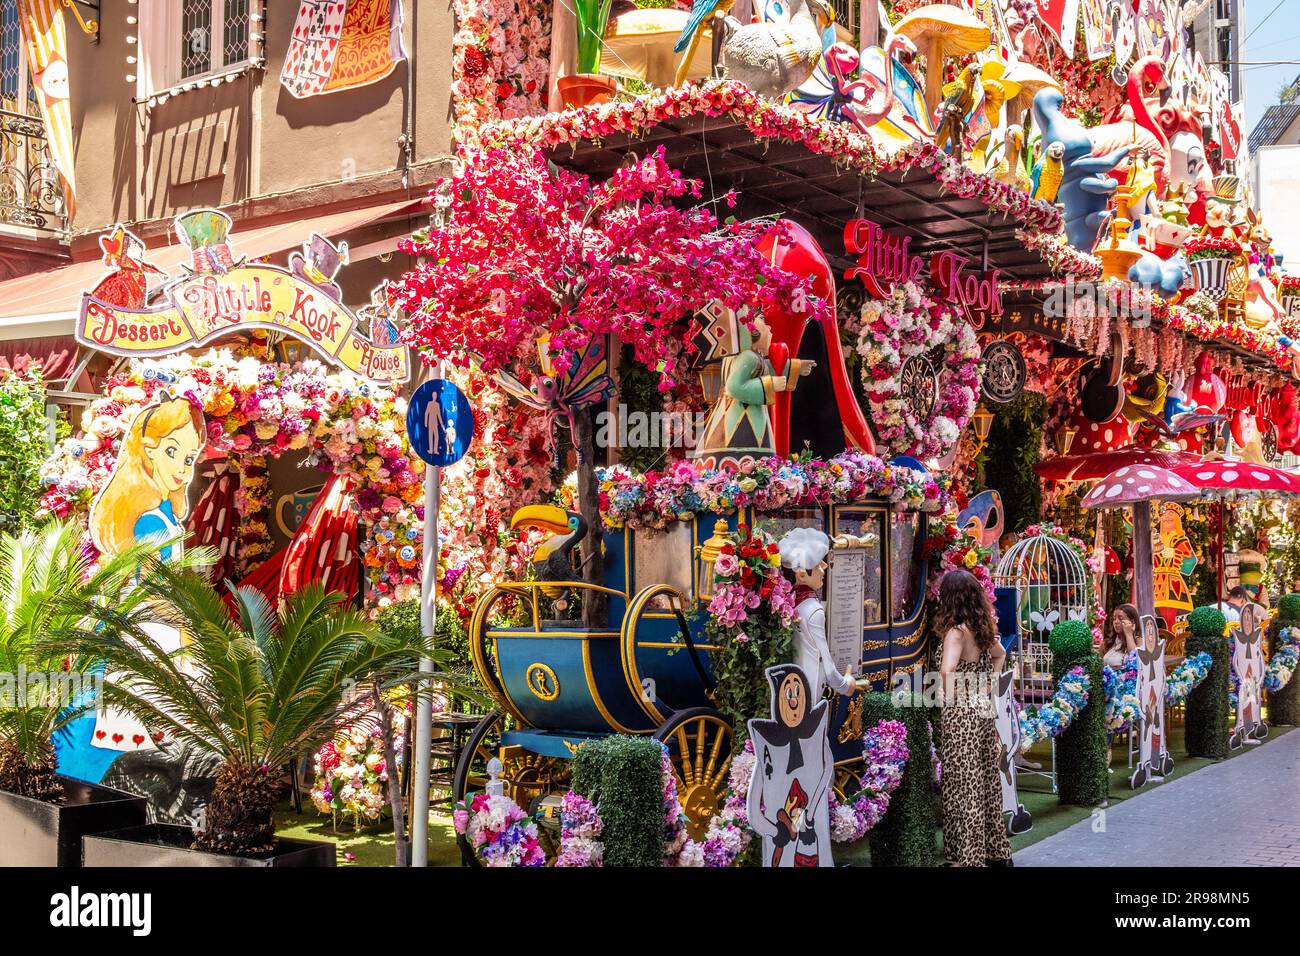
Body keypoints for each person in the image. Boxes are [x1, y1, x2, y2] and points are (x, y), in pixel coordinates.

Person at [58, 397, 205, 785]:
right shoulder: (150, 520)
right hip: (149, 624)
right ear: (149, 451)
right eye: (174, 452)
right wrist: (192, 627)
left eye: (189, 458)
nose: (181, 467)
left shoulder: (164, 514)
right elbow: (154, 585)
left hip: (155, 621)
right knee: (140, 710)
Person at [936, 569, 1012, 867]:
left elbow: (946, 670)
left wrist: (951, 695)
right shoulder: (981, 627)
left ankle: (966, 858)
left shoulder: (956, 631)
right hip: (982, 709)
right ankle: (996, 853)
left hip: (962, 715)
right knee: (986, 782)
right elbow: (1000, 654)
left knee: (962, 785)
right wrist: (986, 684)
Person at [778, 527, 856, 698]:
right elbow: (827, 665)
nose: (825, 567)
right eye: (818, 563)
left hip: (791, 688)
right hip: (810, 692)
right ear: (801, 574)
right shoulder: (813, 610)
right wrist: (846, 685)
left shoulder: (787, 604)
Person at [1103, 603, 1140, 668]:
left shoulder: (1139, 640)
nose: (1116, 622)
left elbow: (1135, 661)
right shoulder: (1109, 643)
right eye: (1114, 619)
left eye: (1120, 618)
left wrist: (1129, 635)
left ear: (1132, 622)